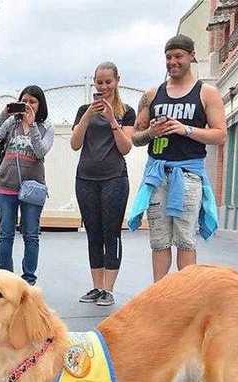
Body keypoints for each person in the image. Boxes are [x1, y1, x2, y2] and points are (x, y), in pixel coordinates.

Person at [126, 34, 227, 282]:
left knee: (185, 240)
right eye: (169, 57)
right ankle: (160, 296)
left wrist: (186, 129)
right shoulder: (152, 94)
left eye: (178, 56)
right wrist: (151, 132)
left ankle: (186, 296)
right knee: (159, 242)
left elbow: (220, 135)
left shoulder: (207, 93)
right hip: (157, 175)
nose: (173, 62)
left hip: (189, 175)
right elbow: (135, 138)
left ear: (192, 56)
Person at [71, 62, 136, 306]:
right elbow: (75, 144)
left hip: (114, 179)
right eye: (99, 82)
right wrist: (88, 114)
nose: (104, 86)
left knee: (111, 233)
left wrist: (111, 119)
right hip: (86, 179)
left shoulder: (126, 112)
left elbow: (126, 147)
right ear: (94, 84)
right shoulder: (82, 110)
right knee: (93, 233)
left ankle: (109, 289)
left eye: (108, 81)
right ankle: (97, 287)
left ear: (117, 80)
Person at [0, 85, 54, 285]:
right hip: (5, 186)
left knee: (31, 235)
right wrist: (2, 115)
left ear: (40, 105)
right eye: (25, 101)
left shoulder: (46, 127)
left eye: (33, 101)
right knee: (6, 234)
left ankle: (28, 280)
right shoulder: (10, 124)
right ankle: (5, 280)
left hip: (33, 189)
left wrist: (31, 127)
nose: (28, 105)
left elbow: (40, 152)